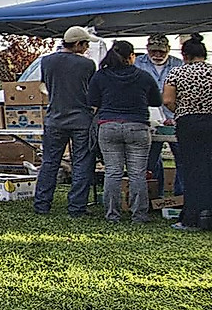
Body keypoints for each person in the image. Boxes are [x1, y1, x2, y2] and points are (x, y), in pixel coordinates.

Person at [87, 40, 161, 224]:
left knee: (112, 172)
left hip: (108, 126)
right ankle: (139, 215)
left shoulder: (101, 76)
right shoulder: (143, 76)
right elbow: (157, 101)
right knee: (137, 173)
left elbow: (92, 100)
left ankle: (112, 215)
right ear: (132, 56)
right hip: (137, 126)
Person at [32, 26, 98, 218]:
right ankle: (77, 207)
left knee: (50, 162)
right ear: (77, 44)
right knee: (82, 163)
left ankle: (42, 204)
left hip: (55, 118)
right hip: (81, 120)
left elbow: (45, 85)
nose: (87, 48)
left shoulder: (47, 61)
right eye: (85, 44)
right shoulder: (87, 65)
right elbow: (91, 92)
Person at [163, 35, 212, 231]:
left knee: (192, 170)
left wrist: (181, 110)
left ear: (184, 55)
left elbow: (167, 100)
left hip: (188, 123)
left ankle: (191, 217)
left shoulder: (177, 73)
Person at [135, 33, 184, 199]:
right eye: (154, 51)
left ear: (168, 50)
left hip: (175, 117)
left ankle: (180, 196)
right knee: (150, 161)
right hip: (149, 118)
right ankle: (155, 195)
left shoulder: (178, 64)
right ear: (147, 49)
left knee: (182, 158)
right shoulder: (138, 63)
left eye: (161, 52)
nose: (157, 55)